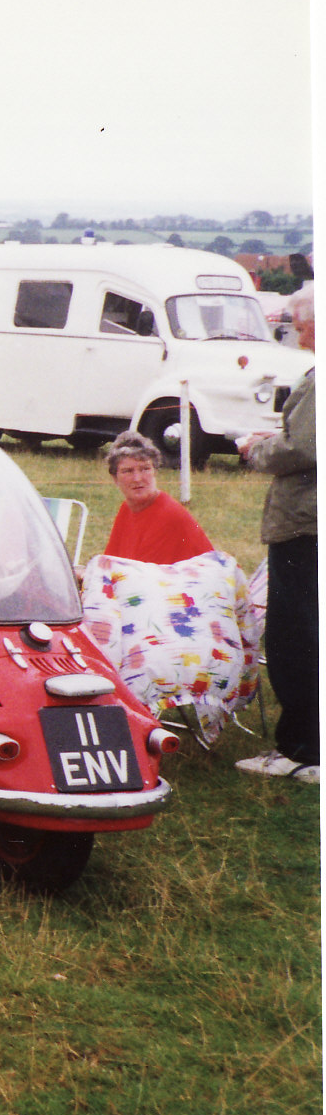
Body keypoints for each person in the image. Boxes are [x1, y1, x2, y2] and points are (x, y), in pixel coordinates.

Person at [236, 283, 317, 783]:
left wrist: (257, 449)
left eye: (300, 323)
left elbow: (304, 448)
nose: (295, 331)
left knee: (294, 637)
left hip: (304, 526)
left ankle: (301, 749)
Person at [99, 431, 214, 563]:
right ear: (115, 478)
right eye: (128, 471)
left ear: (155, 471)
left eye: (145, 469)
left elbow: (147, 574)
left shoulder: (168, 515)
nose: (137, 478)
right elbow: (109, 563)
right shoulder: (127, 508)